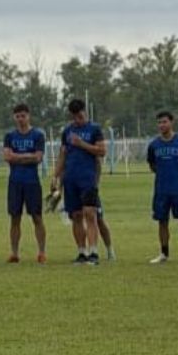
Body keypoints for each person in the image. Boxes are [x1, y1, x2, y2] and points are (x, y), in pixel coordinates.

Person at [51, 99, 107, 265]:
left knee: (90, 213)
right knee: (76, 215)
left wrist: (82, 144)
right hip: (70, 179)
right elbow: (63, 155)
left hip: (88, 178)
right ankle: (82, 252)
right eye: (74, 117)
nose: (77, 120)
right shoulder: (67, 131)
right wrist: (55, 175)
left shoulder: (94, 129)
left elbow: (102, 151)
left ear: (85, 112)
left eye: (80, 116)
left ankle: (94, 252)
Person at [147, 111, 178, 264]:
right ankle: (164, 253)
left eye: (164, 122)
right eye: (159, 123)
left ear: (171, 122)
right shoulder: (154, 145)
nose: (162, 125)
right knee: (162, 221)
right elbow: (152, 164)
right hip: (161, 189)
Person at [3, 104, 47, 264]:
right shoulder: (10, 136)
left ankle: (41, 252)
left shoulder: (38, 135)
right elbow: (7, 157)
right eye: (18, 116)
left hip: (32, 182)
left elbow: (38, 158)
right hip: (15, 182)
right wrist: (28, 156)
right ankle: (14, 253)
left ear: (28, 116)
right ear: (14, 117)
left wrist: (18, 157)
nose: (21, 119)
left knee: (37, 217)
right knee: (15, 218)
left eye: (23, 116)